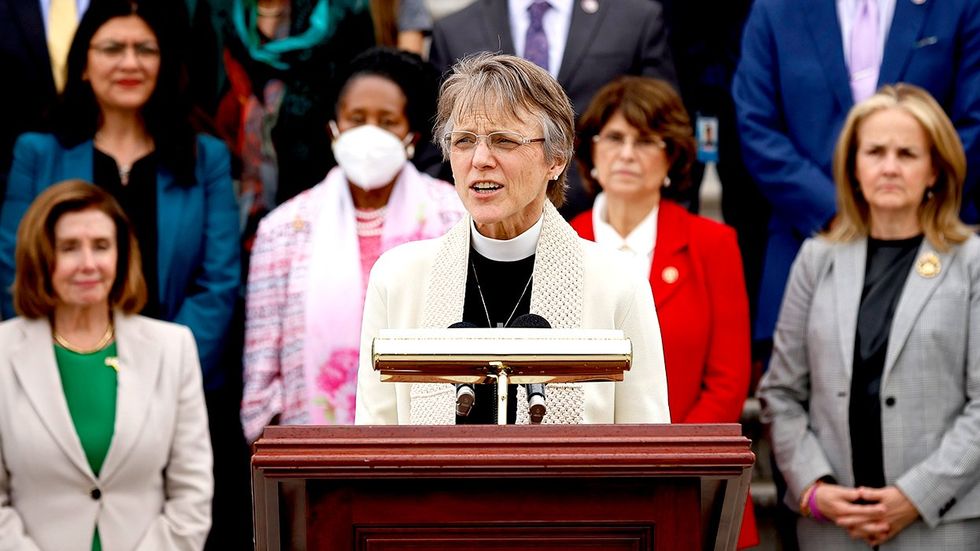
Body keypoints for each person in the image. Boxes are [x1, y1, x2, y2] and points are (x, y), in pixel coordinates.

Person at [354, 53, 670, 425]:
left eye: (504, 141)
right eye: (464, 141)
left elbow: (646, 445)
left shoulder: (616, 280)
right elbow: (374, 445)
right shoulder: (399, 277)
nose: (481, 159)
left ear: (556, 159)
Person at [758, 84, 980, 549]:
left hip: (940, 528)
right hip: (832, 531)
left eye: (908, 153)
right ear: (853, 167)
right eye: (875, 151)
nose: (890, 166)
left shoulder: (971, 262)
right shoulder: (815, 260)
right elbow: (781, 392)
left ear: (936, 169)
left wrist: (915, 496)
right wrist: (814, 490)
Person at [0, 0, 240, 392]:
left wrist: (165, 370)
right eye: (112, 49)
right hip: (59, 379)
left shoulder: (204, 158)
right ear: (83, 62)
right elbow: (15, 269)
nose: (130, 63)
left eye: (145, 49)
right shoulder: (37, 153)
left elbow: (218, 283)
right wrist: (67, 363)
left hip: (176, 383)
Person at [569, 75, 757, 548]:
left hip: (693, 486)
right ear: (591, 152)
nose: (627, 153)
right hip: (580, 490)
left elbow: (729, 381)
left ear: (671, 156)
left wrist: (668, 462)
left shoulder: (714, 244)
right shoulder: (560, 244)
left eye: (646, 141)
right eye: (614, 137)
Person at [732, 0, 980, 357]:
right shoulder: (777, 8)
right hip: (807, 237)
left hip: (932, 247)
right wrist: (837, 209)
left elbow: (974, 122)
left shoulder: (959, 6)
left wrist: (914, 201)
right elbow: (756, 123)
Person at [241, 47, 464, 442]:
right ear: (334, 127)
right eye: (357, 119)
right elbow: (261, 375)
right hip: (313, 458)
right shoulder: (283, 230)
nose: (369, 132)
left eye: (386, 121)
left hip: (431, 448)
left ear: (411, 135)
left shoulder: (456, 218)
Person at [0, 181, 212, 550]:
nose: (88, 264)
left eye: (101, 246)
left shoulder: (172, 347)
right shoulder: (4, 352)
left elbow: (192, 491)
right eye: (68, 248)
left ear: (121, 255)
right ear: (40, 256)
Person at [428, 0, 678, 219]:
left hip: (605, 220)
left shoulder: (635, 19)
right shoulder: (455, 28)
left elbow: (665, 126)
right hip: (488, 218)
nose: (480, 157)